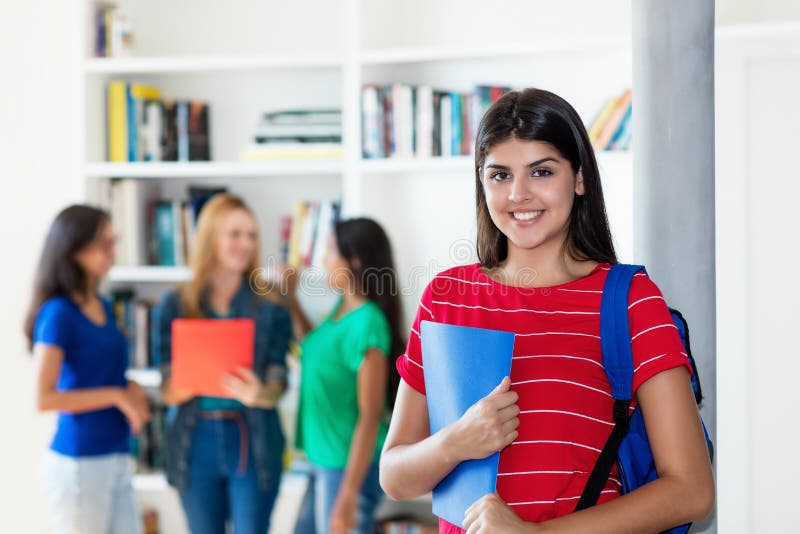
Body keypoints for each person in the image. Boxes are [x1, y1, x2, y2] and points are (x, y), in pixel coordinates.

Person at [379, 88, 715, 533]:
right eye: (499, 175)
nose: (518, 194)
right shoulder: (447, 297)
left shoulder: (629, 299)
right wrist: (456, 442)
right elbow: (395, 476)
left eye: (541, 171)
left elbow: (692, 488)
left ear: (578, 179)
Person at [155, 193, 292, 534]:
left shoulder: (271, 306)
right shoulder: (175, 304)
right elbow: (166, 388)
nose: (244, 244)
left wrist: (260, 393)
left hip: (252, 440)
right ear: (211, 237)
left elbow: (279, 381)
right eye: (235, 234)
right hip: (193, 439)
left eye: (251, 235)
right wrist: (181, 386)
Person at [24, 205, 150, 534]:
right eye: (103, 243)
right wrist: (116, 396)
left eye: (113, 241)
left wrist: (130, 390)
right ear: (74, 248)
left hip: (118, 454)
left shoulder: (103, 306)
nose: (112, 252)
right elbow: (44, 398)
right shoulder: (58, 314)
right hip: (80, 462)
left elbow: (103, 373)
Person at [288, 218, 405, 534]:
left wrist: (348, 496)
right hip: (323, 458)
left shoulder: (367, 322)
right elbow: (314, 348)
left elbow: (370, 416)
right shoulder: (341, 309)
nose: (325, 261)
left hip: (346, 466)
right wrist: (291, 298)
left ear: (354, 260)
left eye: (330, 252)